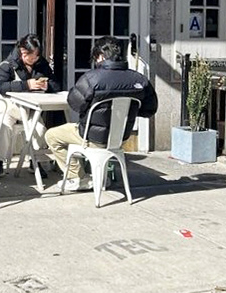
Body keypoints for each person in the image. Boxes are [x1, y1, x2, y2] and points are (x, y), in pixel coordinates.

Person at [45, 36, 158, 191]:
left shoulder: (91, 78)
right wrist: (124, 112)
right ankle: (99, 176)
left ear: (100, 56)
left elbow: (74, 103)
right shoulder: (139, 80)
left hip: (92, 137)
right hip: (119, 138)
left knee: (52, 135)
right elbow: (149, 109)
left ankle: (76, 177)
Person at [0, 33, 61, 178]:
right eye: (25, 54)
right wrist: (26, 84)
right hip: (9, 108)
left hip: (31, 109)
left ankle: (35, 161)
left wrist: (45, 86)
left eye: (33, 55)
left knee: (40, 128)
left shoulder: (42, 65)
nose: (29, 58)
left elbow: (56, 85)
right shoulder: (8, 65)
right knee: (2, 128)